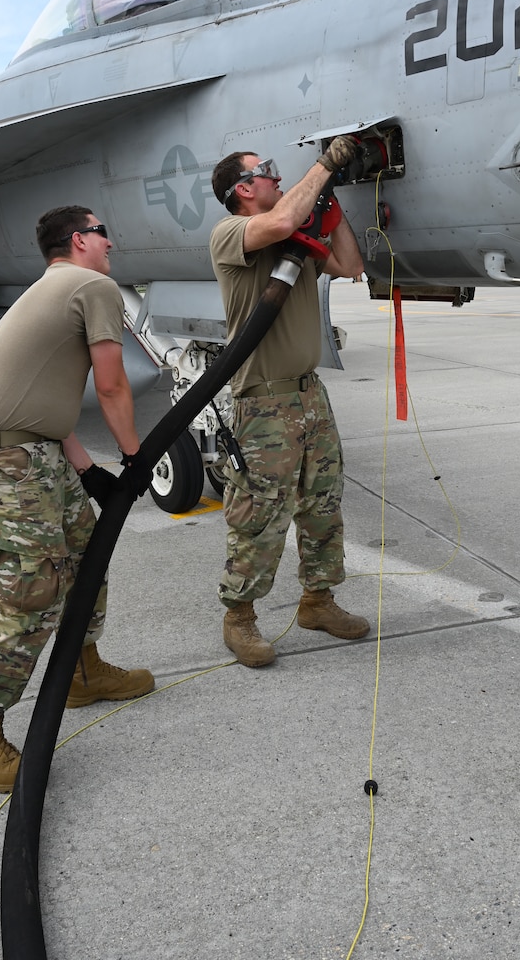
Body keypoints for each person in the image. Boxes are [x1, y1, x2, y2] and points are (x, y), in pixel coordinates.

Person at [0, 206, 155, 793]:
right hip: (10, 460)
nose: (110, 240)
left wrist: (90, 472)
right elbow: (111, 383)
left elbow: (38, 396)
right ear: (78, 240)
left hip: (36, 452)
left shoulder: (50, 288)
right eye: (101, 231)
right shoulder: (93, 285)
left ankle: (81, 674)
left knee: (88, 553)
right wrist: (136, 457)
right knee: (32, 594)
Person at [209, 137, 369, 667]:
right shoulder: (232, 234)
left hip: (309, 395)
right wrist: (324, 165)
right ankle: (240, 618)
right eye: (267, 171)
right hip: (264, 405)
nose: (277, 177)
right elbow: (277, 225)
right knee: (259, 517)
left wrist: (332, 205)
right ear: (242, 189)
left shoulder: (298, 237)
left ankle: (318, 601)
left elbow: (350, 264)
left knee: (323, 507)